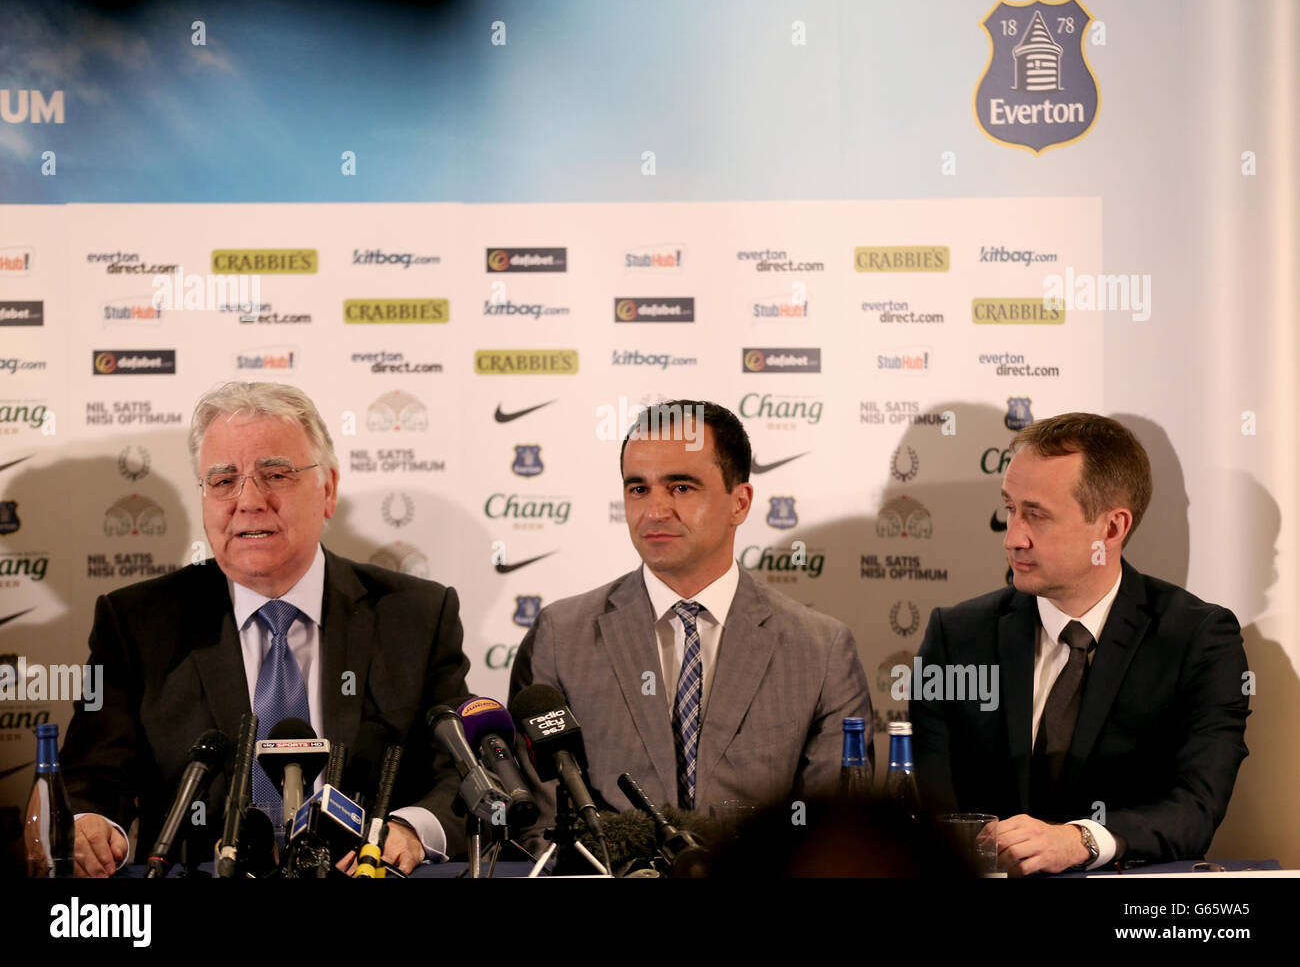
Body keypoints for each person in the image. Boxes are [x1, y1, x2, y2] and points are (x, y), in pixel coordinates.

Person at [60, 382, 471, 876]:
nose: (249, 500)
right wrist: (92, 823)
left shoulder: (417, 615)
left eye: (275, 474)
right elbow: (93, 776)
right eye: (223, 480)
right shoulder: (136, 623)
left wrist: (408, 829)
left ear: (328, 490)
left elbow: (459, 771)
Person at [509, 400, 872, 844]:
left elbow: (835, 833)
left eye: (681, 487)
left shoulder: (820, 650)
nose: (655, 510)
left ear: (739, 503)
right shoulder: (560, 637)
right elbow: (540, 827)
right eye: (638, 489)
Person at [911, 413, 1249, 873]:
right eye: (1010, 509)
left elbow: (1195, 807)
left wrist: (1081, 840)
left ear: (1110, 529)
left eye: (1036, 515)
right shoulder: (956, 638)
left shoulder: (1197, 640)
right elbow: (935, 815)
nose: (1013, 538)